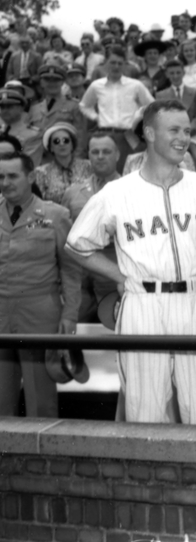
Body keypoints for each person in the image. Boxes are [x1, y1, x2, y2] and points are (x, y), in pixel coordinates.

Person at [67, 99, 196, 425]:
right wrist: (119, 274)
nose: (184, 137)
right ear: (150, 133)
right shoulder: (117, 192)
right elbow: (77, 244)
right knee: (145, 410)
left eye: (186, 130)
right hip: (142, 302)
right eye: (174, 130)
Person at [0, 151, 81, 417]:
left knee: (40, 397)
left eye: (13, 176)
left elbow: (70, 270)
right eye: (1, 176)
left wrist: (69, 316)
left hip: (40, 311)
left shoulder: (56, 215)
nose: (5, 182)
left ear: (31, 176)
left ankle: (43, 457)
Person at [62, 133, 121, 322]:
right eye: (95, 152)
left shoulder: (132, 191)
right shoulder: (73, 193)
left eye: (106, 151)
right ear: (88, 156)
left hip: (116, 276)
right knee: (78, 338)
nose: (100, 156)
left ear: (117, 155)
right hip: (81, 280)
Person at [79, 45, 154, 172]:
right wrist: (96, 117)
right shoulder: (96, 85)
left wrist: (138, 121)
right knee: (107, 172)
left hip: (129, 135)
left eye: (120, 63)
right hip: (105, 133)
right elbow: (84, 106)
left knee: (131, 171)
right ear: (106, 64)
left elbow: (152, 107)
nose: (116, 66)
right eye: (113, 62)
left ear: (124, 65)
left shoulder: (135, 85)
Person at [33, 123, 92, 204]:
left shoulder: (88, 166)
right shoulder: (41, 172)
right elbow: (38, 201)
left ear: (72, 145)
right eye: (56, 141)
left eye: (66, 140)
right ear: (51, 148)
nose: (62, 144)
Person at [0, 88, 44, 166]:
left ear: (21, 108)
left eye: (9, 106)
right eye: (2, 107)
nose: (5, 110)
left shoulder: (33, 135)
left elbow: (29, 165)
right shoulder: (1, 131)